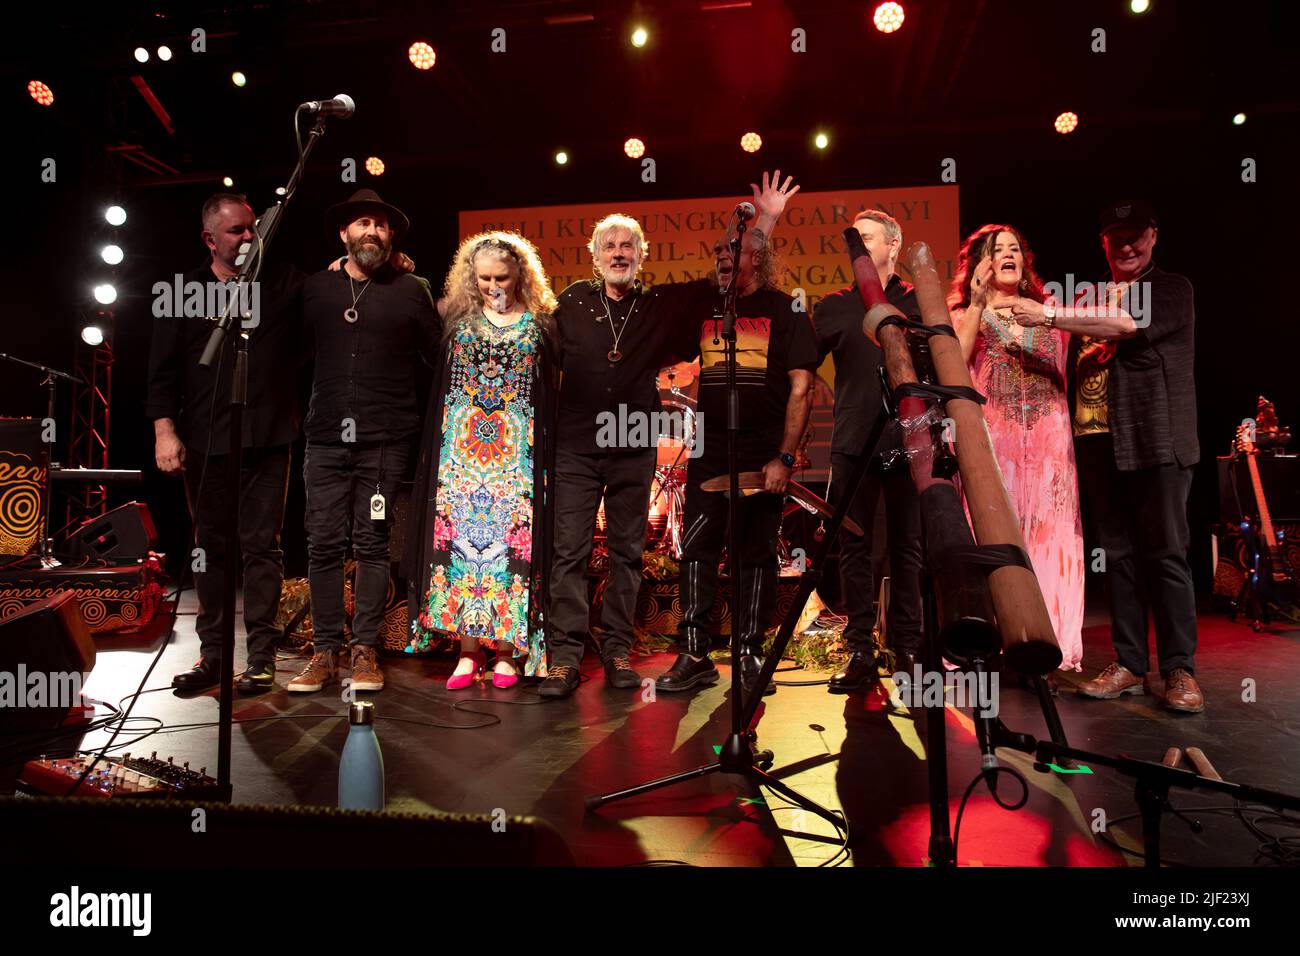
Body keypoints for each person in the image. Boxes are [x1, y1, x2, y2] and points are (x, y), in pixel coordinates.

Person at [539, 171, 800, 699]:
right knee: (567, 553)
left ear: (641, 255)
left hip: (631, 444)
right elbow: (539, 365)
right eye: (609, 245)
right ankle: (564, 658)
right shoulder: (567, 304)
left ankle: (616, 650)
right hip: (574, 448)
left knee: (626, 553)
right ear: (595, 255)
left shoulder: (658, 304)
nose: (619, 252)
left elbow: (733, 275)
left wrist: (766, 223)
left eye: (628, 245)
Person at [951, 224, 1135, 675]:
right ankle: (987, 645)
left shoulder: (1051, 308)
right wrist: (976, 304)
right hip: (995, 442)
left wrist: (1051, 318)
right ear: (980, 263)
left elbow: (1120, 325)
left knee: (1051, 539)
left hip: (1051, 444)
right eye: (998, 250)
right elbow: (953, 362)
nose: (1009, 255)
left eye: (1016, 248)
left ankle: (1045, 647)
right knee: (995, 537)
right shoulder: (964, 311)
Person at [146, 192, 303, 694]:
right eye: (236, 230)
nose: (248, 237)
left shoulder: (280, 282)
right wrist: (164, 432)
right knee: (209, 549)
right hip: (206, 440)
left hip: (269, 437)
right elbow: (161, 372)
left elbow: (332, 290)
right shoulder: (184, 291)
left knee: (262, 547)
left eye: (253, 228)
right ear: (209, 239)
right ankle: (212, 655)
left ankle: (260, 658)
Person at [655, 220, 819, 695]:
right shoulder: (705, 308)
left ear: (759, 259)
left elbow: (802, 387)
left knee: (755, 554)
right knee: (698, 550)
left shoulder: (784, 308)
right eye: (719, 250)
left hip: (761, 453)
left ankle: (749, 651)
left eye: (735, 250)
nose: (723, 257)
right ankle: (694, 654)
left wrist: (784, 458)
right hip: (709, 453)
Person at [288, 189, 440, 694]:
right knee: (323, 545)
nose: (371, 231)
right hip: (325, 438)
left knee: (372, 544)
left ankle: (365, 651)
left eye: (380, 225)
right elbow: (284, 354)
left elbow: (437, 359)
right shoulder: (316, 289)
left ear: (391, 237)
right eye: (362, 224)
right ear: (344, 234)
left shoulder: (412, 289)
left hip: (385, 440)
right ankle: (326, 651)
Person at [405, 232, 559, 689]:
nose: (495, 286)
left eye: (504, 278)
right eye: (486, 278)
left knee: (511, 552)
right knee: (460, 553)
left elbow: (549, 390)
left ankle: (507, 653)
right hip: (461, 456)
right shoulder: (454, 319)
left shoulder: (539, 324)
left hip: (515, 455)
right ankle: (468, 653)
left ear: (521, 276)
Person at [1068, 201, 1203, 712]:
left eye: (1135, 236)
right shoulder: (1088, 295)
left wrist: (1049, 313)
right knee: (1118, 558)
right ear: (1103, 240)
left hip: (1156, 443)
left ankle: (1180, 671)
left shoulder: (1171, 288)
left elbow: (1126, 325)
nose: (1126, 246)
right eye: (1115, 237)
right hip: (1098, 441)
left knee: (1165, 556)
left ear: (1153, 236)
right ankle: (1128, 663)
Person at [811, 209, 924, 692]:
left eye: (868, 236)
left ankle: (909, 646)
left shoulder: (920, 302)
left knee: (907, 547)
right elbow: (799, 372)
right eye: (853, 236)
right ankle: (860, 648)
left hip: (910, 439)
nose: (857, 242)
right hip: (853, 441)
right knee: (853, 546)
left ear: (893, 245)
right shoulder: (834, 306)